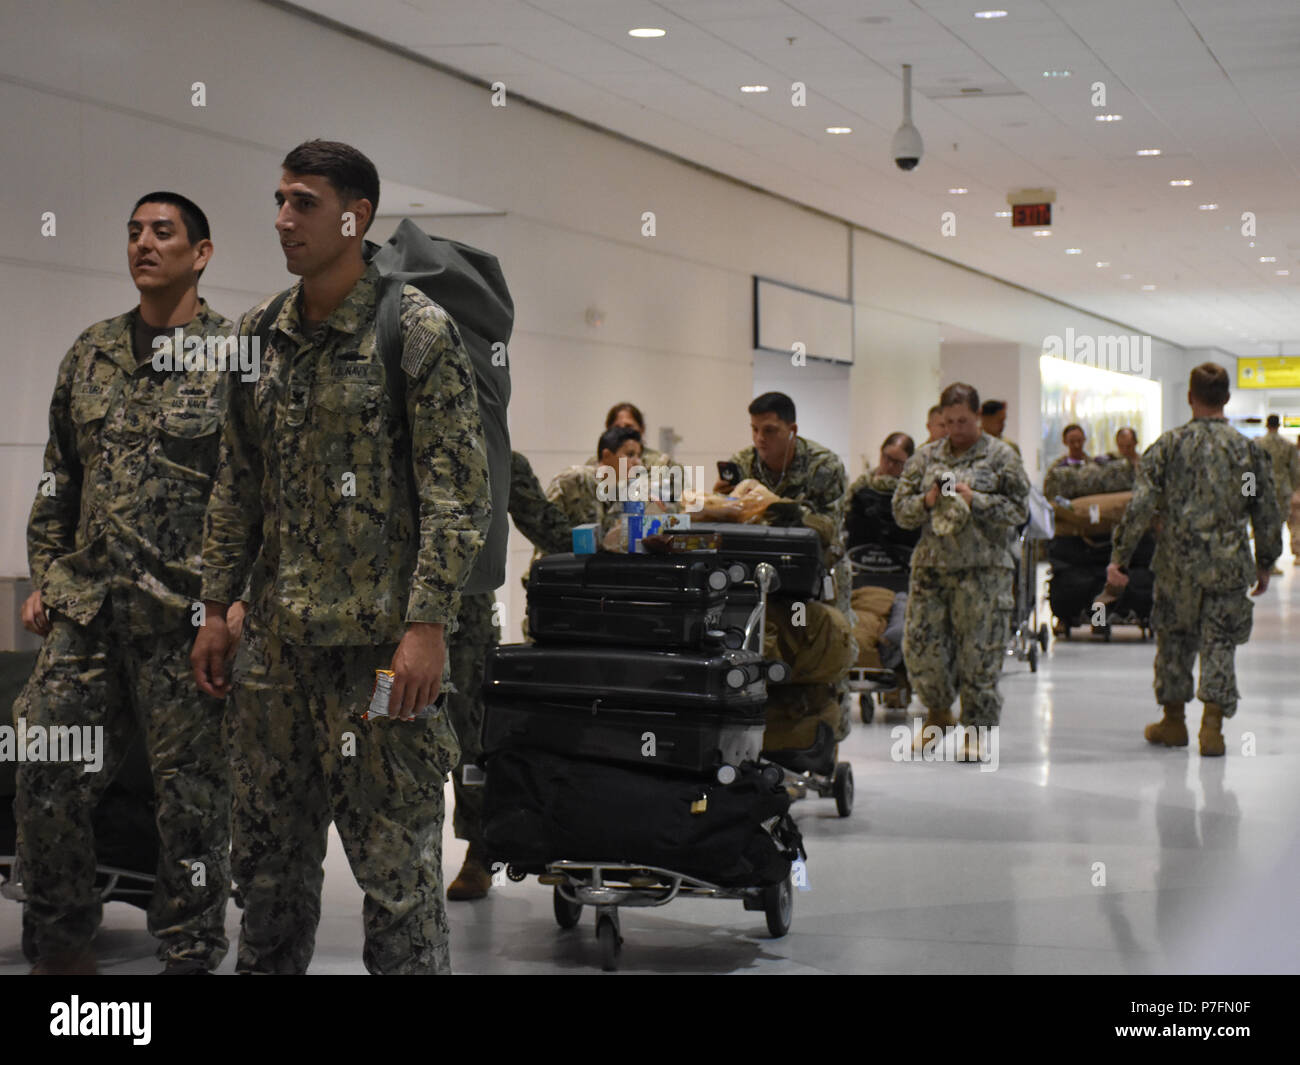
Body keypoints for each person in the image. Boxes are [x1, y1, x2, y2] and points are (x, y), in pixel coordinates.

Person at [192, 140, 489, 975]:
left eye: (304, 203)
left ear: (354, 217)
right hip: (277, 660)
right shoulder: (257, 335)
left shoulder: (414, 329)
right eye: (280, 200)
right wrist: (216, 610)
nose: (283, 219)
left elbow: (456, 493)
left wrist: (427, 625)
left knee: (397, 887)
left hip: (381, 666)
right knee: (268, 881)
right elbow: (236, 484)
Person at [15, 192, 234, 975]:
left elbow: (259, 495)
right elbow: (56, 482)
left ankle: (191, 948)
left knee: (194, 803)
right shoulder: (93, 351)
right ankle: (63, 940)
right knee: (46, 765)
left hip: (186, 622)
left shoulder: (235, 356)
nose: (144, 242)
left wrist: (234, 603)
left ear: (200, 253)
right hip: (90, 611)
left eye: (162, 232)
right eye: (135, 231)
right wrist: (46, 575)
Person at [1107, 363, 1281, 757]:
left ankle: (1173, 723)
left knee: (1174, 638)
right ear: (1227, 398)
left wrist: (1120, 557)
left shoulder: (1168, 448)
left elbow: (1141, 505)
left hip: (1176, 565)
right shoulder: (1247, 451)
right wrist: (1265, 560)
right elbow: (1263, 507)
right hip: (1228, 563)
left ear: (1190, 397)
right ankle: (1212, 729)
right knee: (1220, 641)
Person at [445, 450, 575, 900]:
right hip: (391, 613)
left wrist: (598, 545)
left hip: (466, 617)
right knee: (394, 733)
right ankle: (404, 856)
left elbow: (541, 520)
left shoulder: (498, 457)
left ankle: (480, 849)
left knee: (471, 738)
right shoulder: (396, 440)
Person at [893, 382, 1030, 761]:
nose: (956, 429)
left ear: (978, 418)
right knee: (922, 649)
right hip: (932, 571)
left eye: (964, 421)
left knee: (980, 654)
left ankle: (976, 730)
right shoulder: (924, 458)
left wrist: (977, 499)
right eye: (949, 421)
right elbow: (900, 511)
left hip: (983, 572)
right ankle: (937, 717)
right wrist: (928, 499)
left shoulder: (1001, 456)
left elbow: (1020, 510)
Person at [1256, 415, 1299, 572]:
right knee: (1278, 527)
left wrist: (1247, 492)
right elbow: (1295, 471)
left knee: (1263, 527)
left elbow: (1249, 471)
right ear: (1279, 425)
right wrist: (1295, 490)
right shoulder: (1287, 445)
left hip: (1261, 492)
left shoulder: (1257, 444)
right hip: (1282, 492)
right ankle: (1273, 562)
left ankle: (1265, 563)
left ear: (1267, 425)